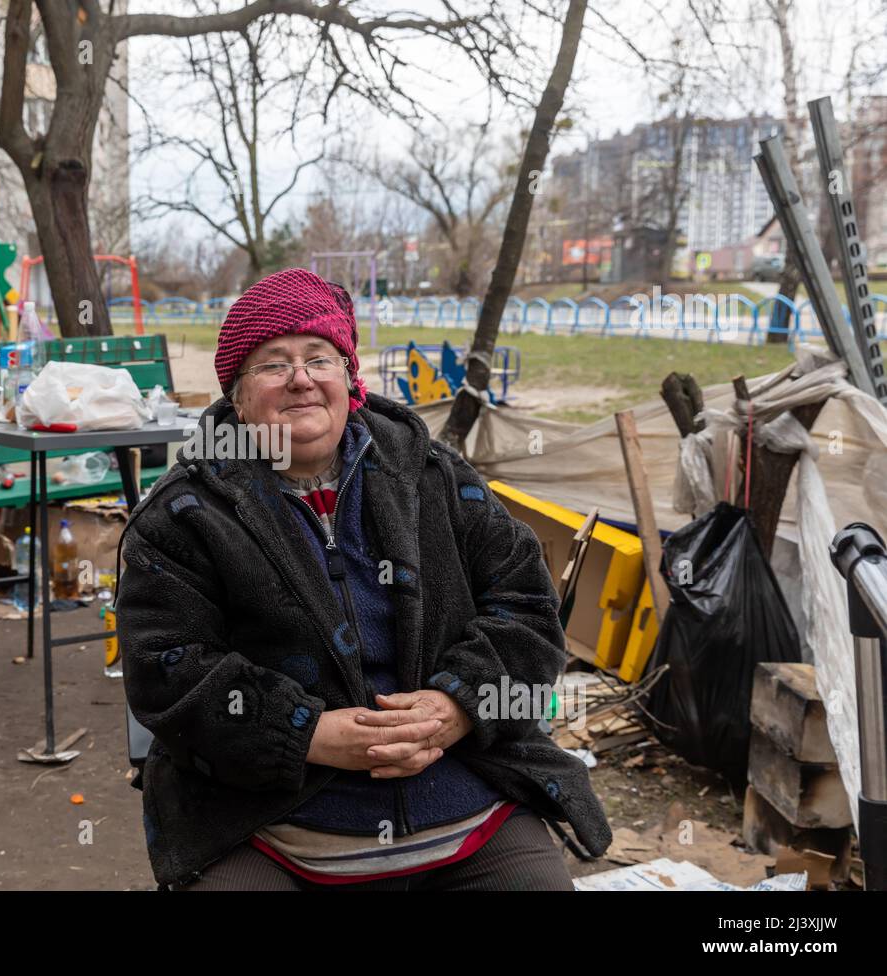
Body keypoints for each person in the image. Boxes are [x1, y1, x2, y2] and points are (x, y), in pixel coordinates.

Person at [116, 267, 611, 890]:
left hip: (464, 794)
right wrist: (305, 734)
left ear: (349, 379)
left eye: (318, 358)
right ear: (237, 398)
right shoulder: (184, 514)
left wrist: (457, 705)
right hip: (270, 818)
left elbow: (528, 605)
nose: (300, 378)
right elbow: (165, 670)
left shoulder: (432, 475)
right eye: (272, 364)